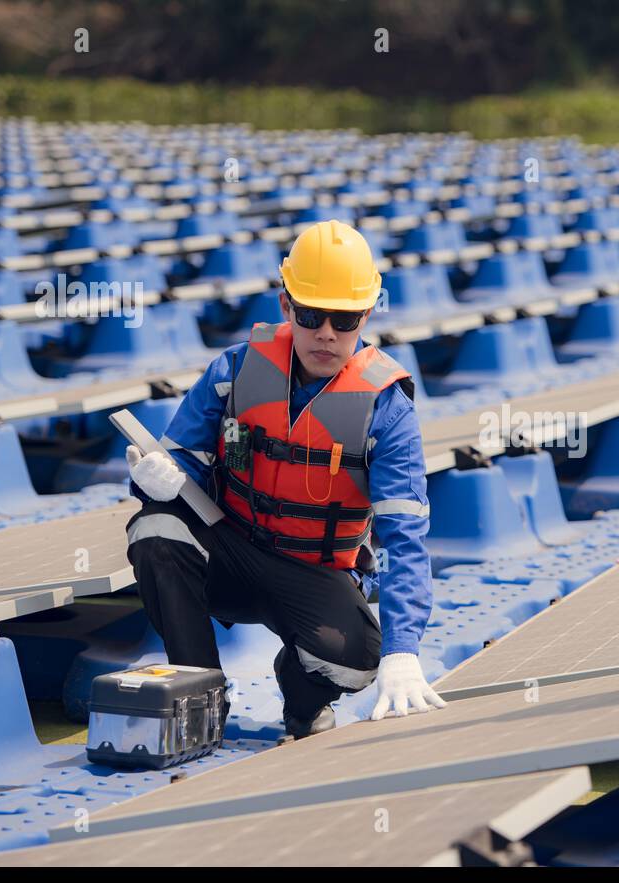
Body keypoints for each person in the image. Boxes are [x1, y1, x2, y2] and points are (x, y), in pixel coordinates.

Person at [124, 220, 444, 739]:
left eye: (343, 320)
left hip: (313, 572)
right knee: (154, 530)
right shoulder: (232, 371)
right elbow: (177, 463)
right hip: (231, 551)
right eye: (312, 314)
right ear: (285, 306)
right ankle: (200, 695)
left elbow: (405, 538)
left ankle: (301, 700)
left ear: (366, 315)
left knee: (358, 661)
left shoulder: (387, 408)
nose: (326, 333)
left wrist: (403, 647)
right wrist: (152, 479)